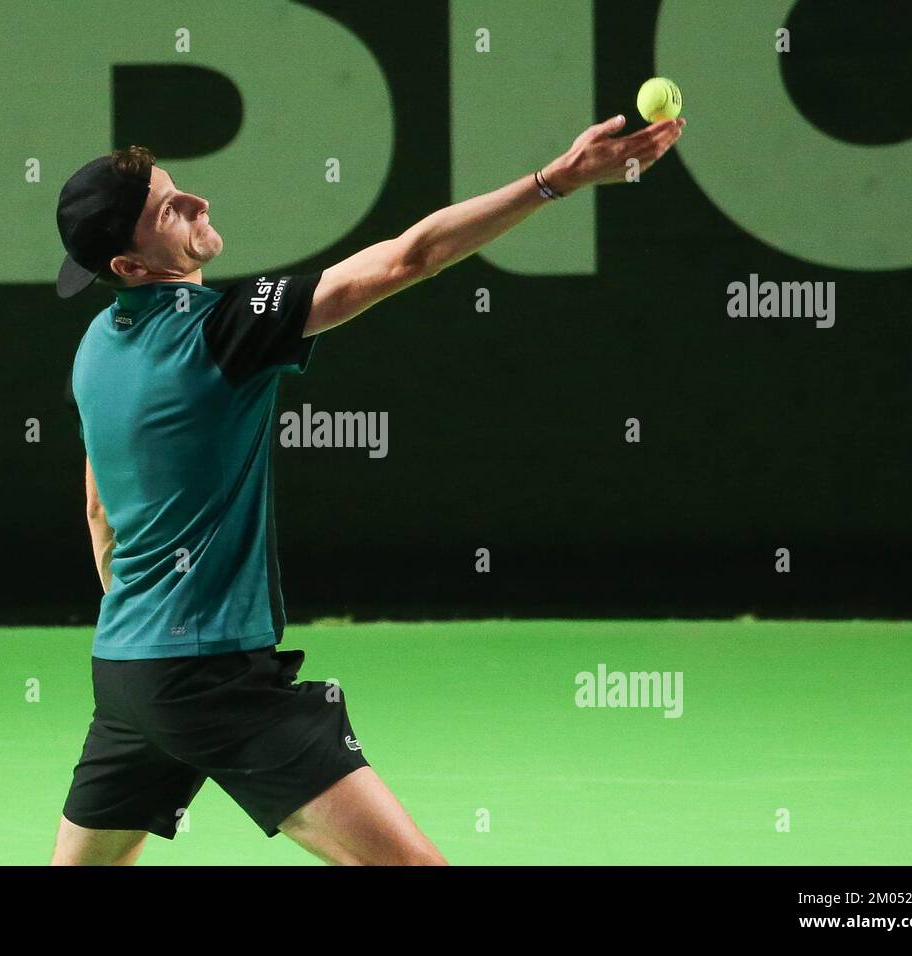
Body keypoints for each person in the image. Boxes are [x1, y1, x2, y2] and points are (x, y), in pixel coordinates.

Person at [50, 114, 685, 866]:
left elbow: (99, 509)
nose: (198, 203)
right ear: (129, 264)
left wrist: (146, 616)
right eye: (170, 210)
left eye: (180, 188)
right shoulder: (220, 334)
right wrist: (557, 180)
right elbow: (409, 259)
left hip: (125, 671)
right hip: (208, 677)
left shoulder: (95, 346)